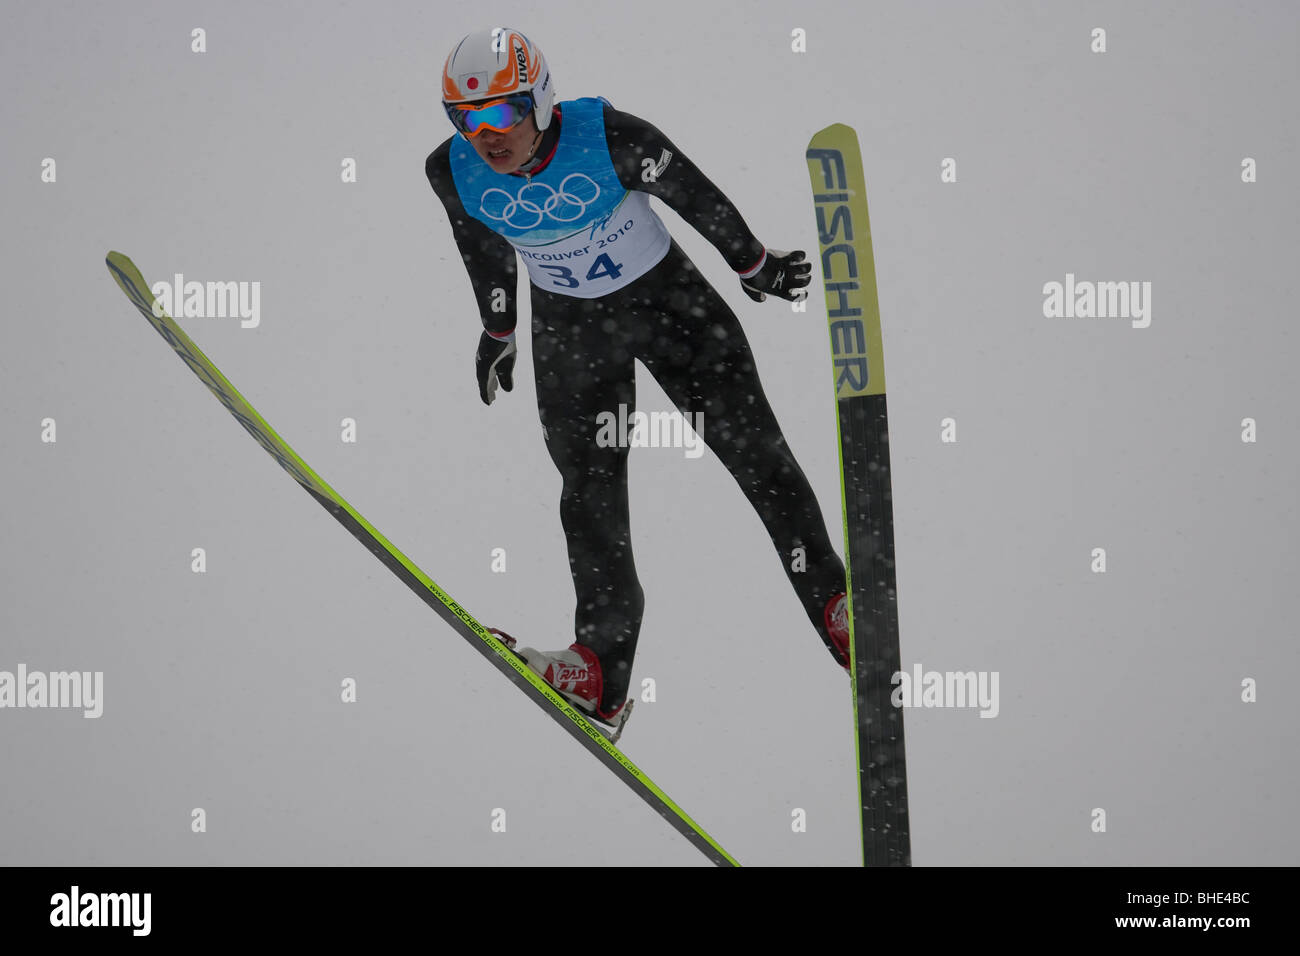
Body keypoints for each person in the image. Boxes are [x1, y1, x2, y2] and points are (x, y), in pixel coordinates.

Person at [425, 27, 850, 727]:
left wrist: (753, 264)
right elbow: (480, 246)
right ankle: (600, 671)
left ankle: (838, 608)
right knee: (587, 498)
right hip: (569, 335)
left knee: (757, 459)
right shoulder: (453, 172)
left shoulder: (614, 137)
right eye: (466, 118)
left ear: (540, 100)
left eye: (502, 113)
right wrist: (499, 329)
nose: (486, 135)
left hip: (672, 313)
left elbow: (695, 195)